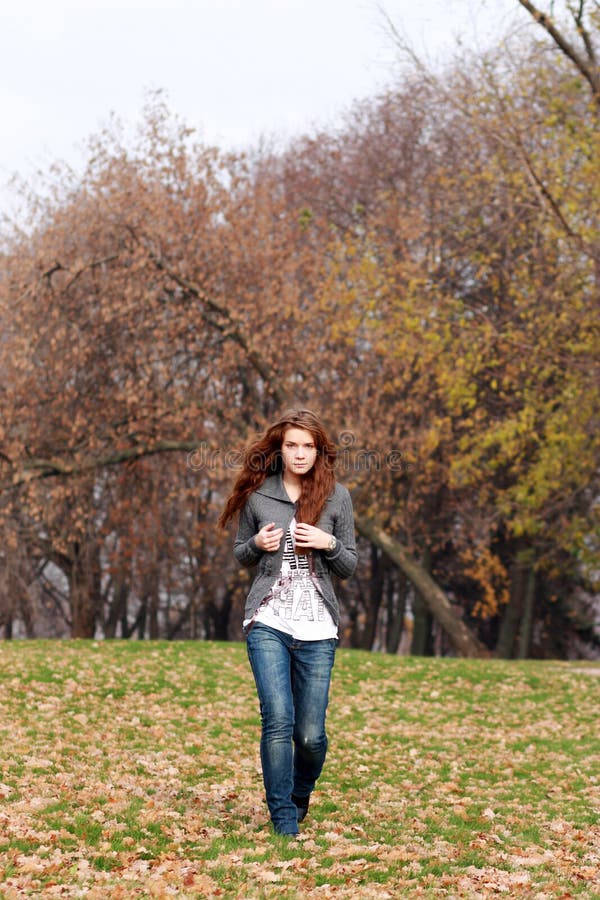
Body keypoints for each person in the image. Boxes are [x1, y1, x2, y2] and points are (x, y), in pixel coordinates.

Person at [219, 408, 357, 837]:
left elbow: (349, 564)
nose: (300, 454)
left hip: (317, 627)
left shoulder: (338, 498)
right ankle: (283, 821)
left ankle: (300, 793)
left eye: (308, 446)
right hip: (269, 619)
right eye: (292, 445)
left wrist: (328, 542)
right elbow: (241, 553)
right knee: (277, 719)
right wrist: (258, 543)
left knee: (311, 737)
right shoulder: (260, 496)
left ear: (319, 452)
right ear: (279, 450)